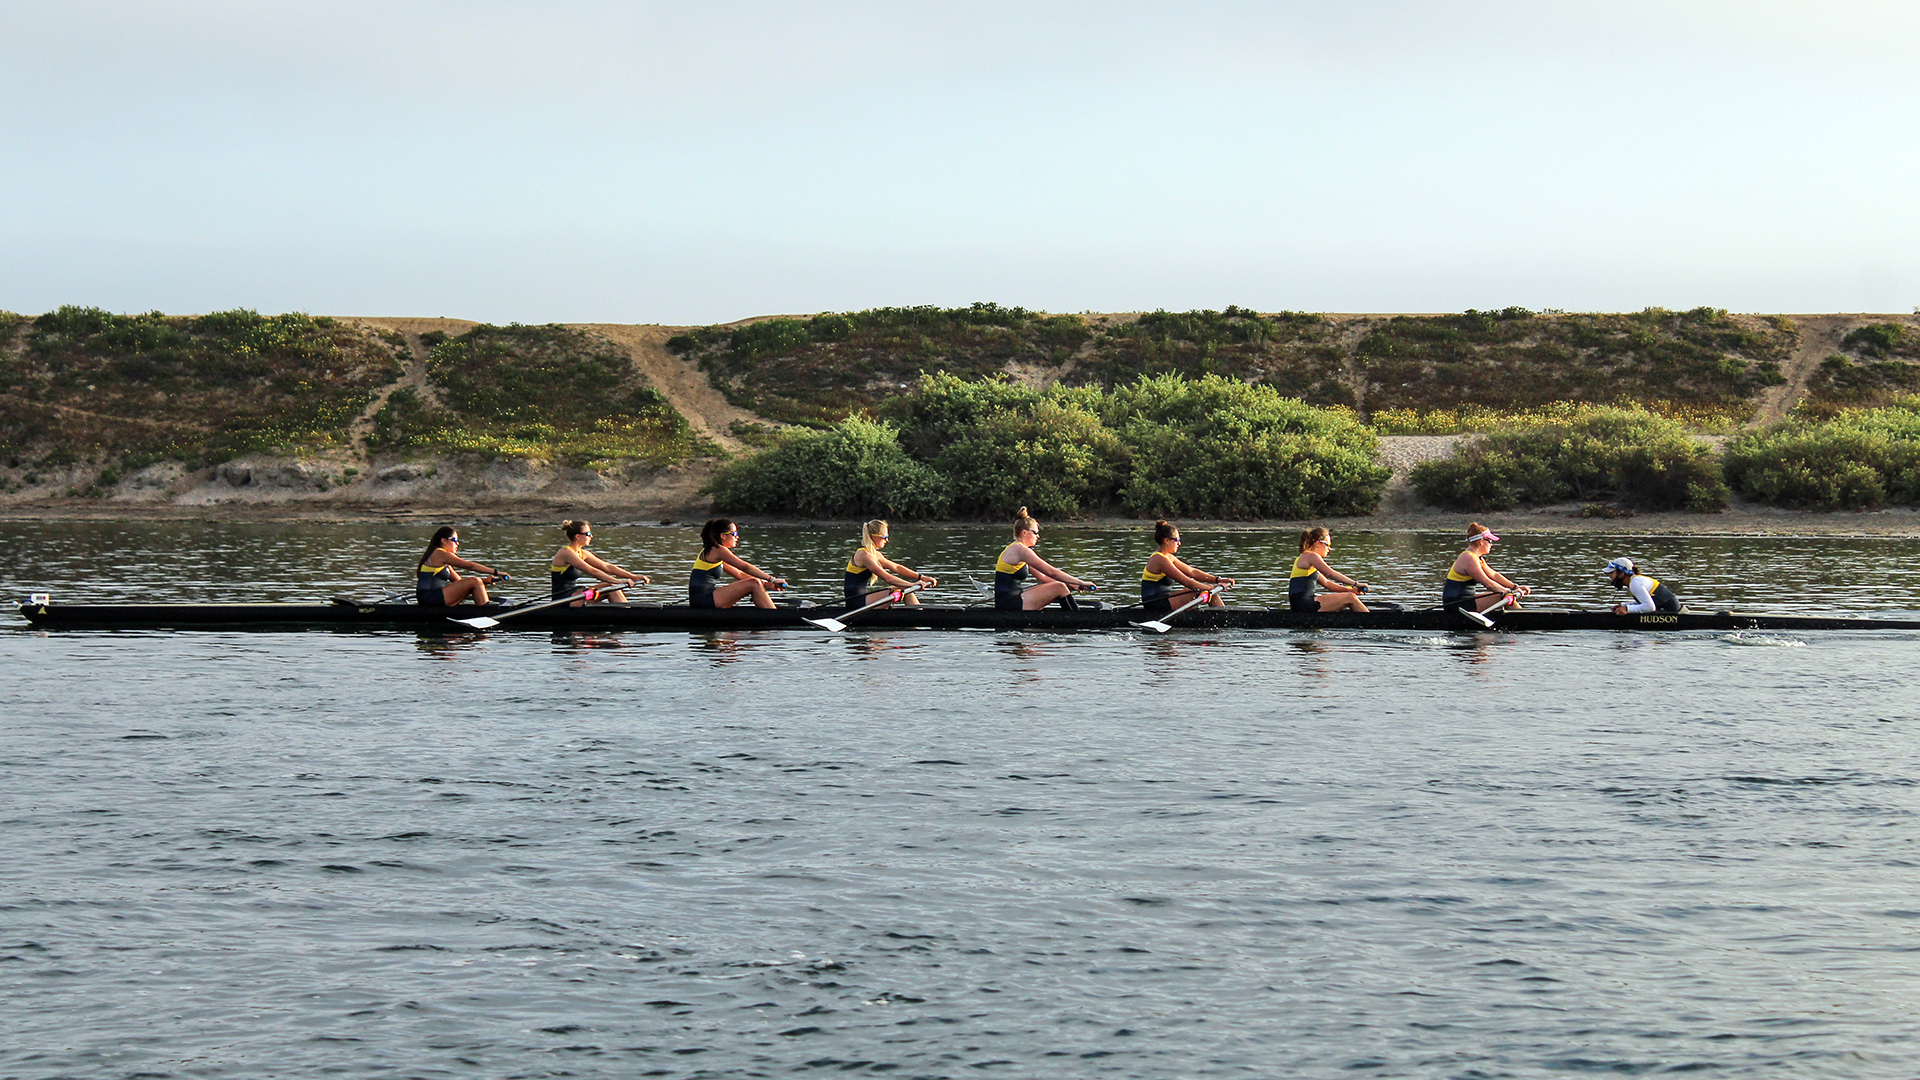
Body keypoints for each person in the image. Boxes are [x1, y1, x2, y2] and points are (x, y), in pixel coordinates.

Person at [994, 506, 1095, 611]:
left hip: (1011, 599)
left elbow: (1042, 576)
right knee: (1059, 587)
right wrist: (1081, 582)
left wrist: (1071, 584)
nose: (1038, 536)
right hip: (1009, 603)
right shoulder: (1019, 549)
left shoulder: (1018, 550)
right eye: (1036, 532)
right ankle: (1076, 619)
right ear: (1024, 533)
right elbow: (1052, 572)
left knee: (1059, 586)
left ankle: (1073, 615)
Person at [1140, 520, 1234, 614]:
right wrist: (1210, 589)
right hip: (1154, 604)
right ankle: (1225, 619)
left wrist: (1218, 580)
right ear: (1166, 540)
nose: (1179, 543)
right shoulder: (1159, 559)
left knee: (1208, 590)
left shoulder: (1168, 557)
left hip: (1164, 599)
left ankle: (1223, 616)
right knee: (1208, 592)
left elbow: (1192, 572)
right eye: (1177, 540)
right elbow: (1187, 582)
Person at [691, 518, 786, 609]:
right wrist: (772, 579)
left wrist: (766, 583)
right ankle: (774, 616)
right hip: (703, 599)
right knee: (754, 583)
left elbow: (739, 574)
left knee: (754, 582)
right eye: (734, 533)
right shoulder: (718, 550)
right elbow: (745, 567)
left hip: (703, 598)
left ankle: (770, 612)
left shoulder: (714, 553)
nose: (737, 537)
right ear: (723, 536)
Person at [551, 520, 650, 605]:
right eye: (588, 534)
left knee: (611, 587)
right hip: (563, 600)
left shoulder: (583, 553)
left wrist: (634, 577)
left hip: (576, 595)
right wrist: (619, 582)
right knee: (610, 586)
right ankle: (628, 615)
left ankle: (626, 611)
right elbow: (593, 572)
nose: (591, 536)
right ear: (577, 536)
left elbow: (607, 567)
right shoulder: (566, 552)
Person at [845, 519, 938, 608]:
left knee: (904, 589)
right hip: (855, 602)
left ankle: (918, 614)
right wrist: (912, 585)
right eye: (884, 537)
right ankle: (919, 617)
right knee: (900, 588)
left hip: (864, 598)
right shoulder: (863, 555)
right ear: (874, 537)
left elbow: (897, 567)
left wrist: (921, 577)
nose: (887, 540)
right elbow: (887, 578)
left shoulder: (875, 554)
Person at [1442, 522, 1531, 614]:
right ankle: (1525, 620)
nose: (1491, 545)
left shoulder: (1478, 558)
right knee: (1502, 596)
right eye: (1490, 541)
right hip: (1455, 605)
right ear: (1481, 542)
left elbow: (1494, 575)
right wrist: (1507, 592)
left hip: (1464, 601)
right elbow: (1488, 583)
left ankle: (1522, 617)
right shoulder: (1468, 558)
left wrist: (1515, 587)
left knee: (1506, 596)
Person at [416, 526, 506, 607]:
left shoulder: (444, 562)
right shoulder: (439, 553)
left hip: (434, 598)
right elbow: (470, 566)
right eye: (454, 540)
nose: (457, 544)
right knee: (474, 581)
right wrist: (496, 572)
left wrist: (484, 581)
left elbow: (460, 582)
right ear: (443, 540)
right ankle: (486, 611)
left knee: (475, 582)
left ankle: (484, 609)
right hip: (428, 598)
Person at [1288, 527, 1369, 613]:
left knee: (1350, 595)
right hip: (1304, 604)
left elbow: (1327, 583)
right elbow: (1330, 573)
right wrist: (1356, 584)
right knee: (1350, 598)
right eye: (1328, 545)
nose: (1329, 549)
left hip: (1299, 604)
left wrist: (1350, 590)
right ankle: (1371, 622)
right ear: (1318, 543)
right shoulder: (1311, 556)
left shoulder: (1305, 559)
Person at [1603, 557, 1681, 614]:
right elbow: (1643, 602)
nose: (1610, 577)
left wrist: (1627, 609)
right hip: (1667, 609)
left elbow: (1650, 607)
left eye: (1611, 573)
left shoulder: (1635, 583)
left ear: (1621, 573)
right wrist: (1624, 605)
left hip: (1672, 612)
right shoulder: (1634, 581)